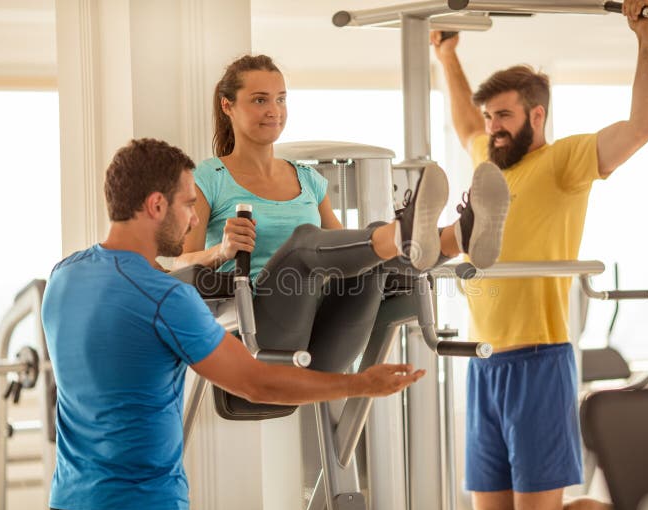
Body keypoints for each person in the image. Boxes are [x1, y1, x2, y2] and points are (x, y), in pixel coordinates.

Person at [41, 138, 430, 510]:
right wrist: (363, 383)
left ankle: (437, 238)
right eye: (188, 205)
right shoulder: (164, 297)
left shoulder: (64, 275)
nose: (195, 220)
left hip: (69, 503)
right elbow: (256, 383)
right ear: (157, 206)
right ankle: (416, 236)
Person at [430, 0, 648, 510]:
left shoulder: (562, 164)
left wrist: (644, 38)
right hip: (484, 360)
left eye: (504, 116)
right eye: (492, 118)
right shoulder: (490, 164)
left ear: (538, 115)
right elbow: (466, 121)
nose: (493, 128)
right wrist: (447, 58)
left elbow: (641, 126)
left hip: (538, 359)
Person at [173, 54, 511, 377]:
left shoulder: (307, 179)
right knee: (305, 243)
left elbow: (345, 250)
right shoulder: (208, 177)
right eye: (260, 100)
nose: (274, 110)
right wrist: (221, 252)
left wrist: (381, 237)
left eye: (281, 99)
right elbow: (176, 264)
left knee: (368, 249)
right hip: (259, 338)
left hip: (328, 341)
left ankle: (453, 237)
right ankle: (418, 234)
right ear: (227, 105)